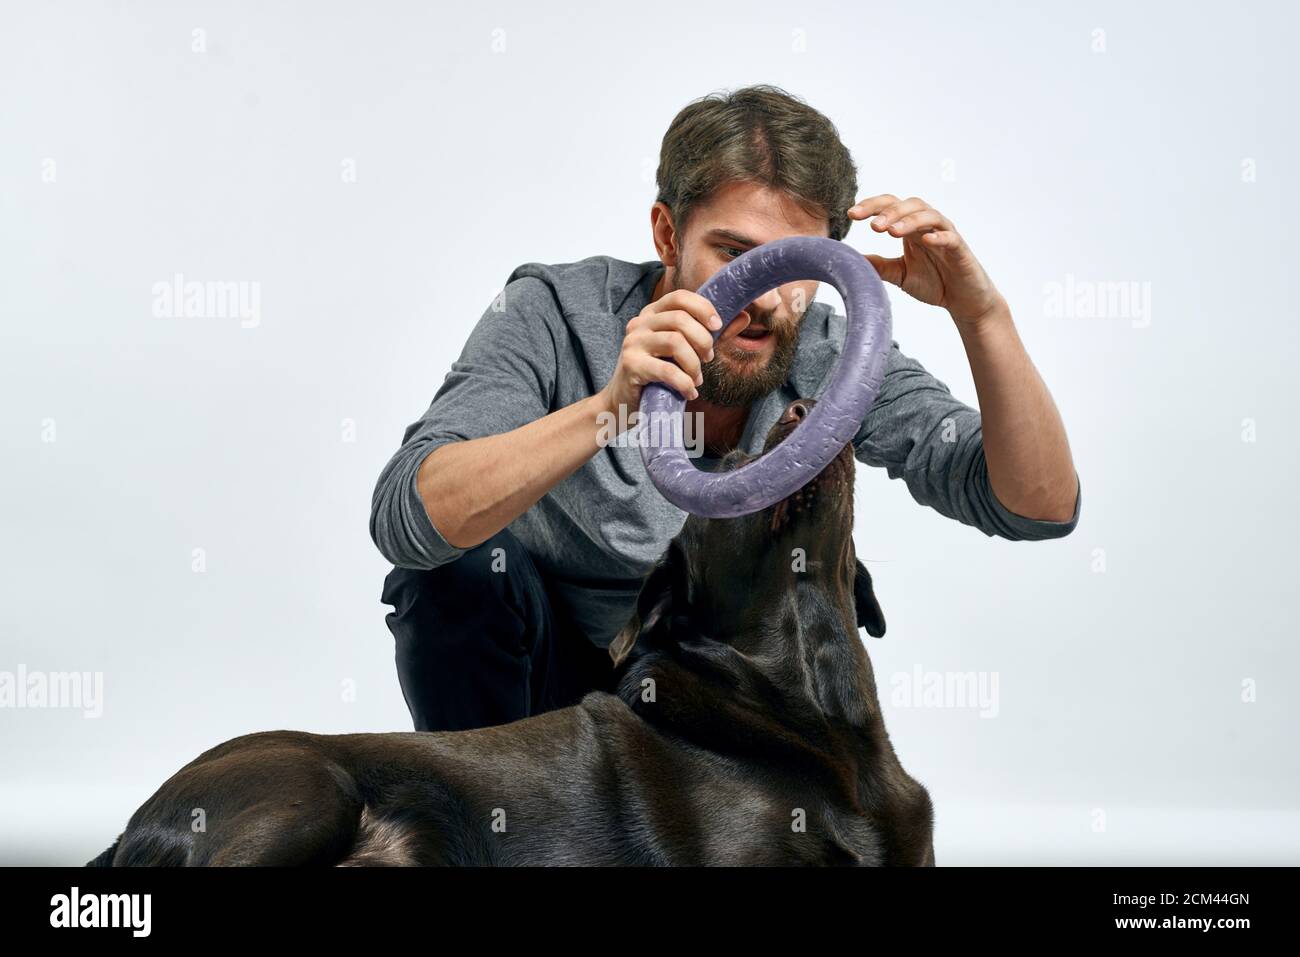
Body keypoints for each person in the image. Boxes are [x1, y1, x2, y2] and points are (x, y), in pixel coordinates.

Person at [370, 85, 1080, 733]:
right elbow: (411, 521)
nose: (765, 297)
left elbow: (1035, 504)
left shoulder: (828, 354)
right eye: (734, 254)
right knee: (462, 570)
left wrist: (983, 317)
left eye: (794, 265)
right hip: (543, 707)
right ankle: (498, 831)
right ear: (668, 236)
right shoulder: (552, 312)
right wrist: (611, 406)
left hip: (714, 704)